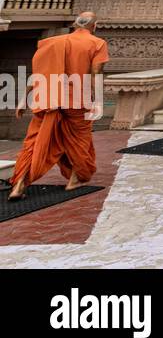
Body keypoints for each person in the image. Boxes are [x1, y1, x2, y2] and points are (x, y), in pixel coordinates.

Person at [7, 11, 109, 200]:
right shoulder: (97, 44)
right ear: (94, 26)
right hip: (77, 101)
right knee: (80, 140)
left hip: (47, 98)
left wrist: (24, 98)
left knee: (35, 142)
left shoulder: (52, 42)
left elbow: (38, 73)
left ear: (74, 24)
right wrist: (99, 102)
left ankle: (20, 183)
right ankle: (75, 180)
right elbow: (96, 74)